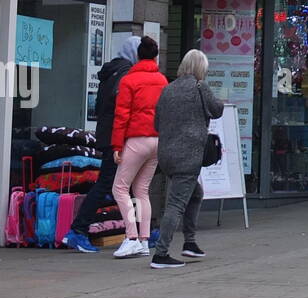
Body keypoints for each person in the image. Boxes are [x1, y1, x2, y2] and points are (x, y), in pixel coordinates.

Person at [61, 36, 139, 252]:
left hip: (109, 135)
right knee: (109, 184)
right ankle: (78, 231)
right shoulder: (126, 75)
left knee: (127, 184)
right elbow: (122, 108)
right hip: (117, 138)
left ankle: (144, 231)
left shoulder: (112, 72)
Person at [149, 49, 224, 268]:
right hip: (188, 156)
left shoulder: (168, 89)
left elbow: (156, 124)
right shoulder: (200, 87)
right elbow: (217, 110)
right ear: (201, 68)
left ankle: (190, 242)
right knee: (176, 204)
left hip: (167, 155)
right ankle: (160, 254)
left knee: (195, 194)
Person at [110, 36, 168, 259]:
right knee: (142, 190)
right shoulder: (162, 80)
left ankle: (131, 237)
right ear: (155, 56)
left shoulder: (129, 80)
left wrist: (117, 145)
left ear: (137, 55)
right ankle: (144, 241)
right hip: (157, 140)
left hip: (136, 139)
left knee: (120, 188)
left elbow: (122, 115)